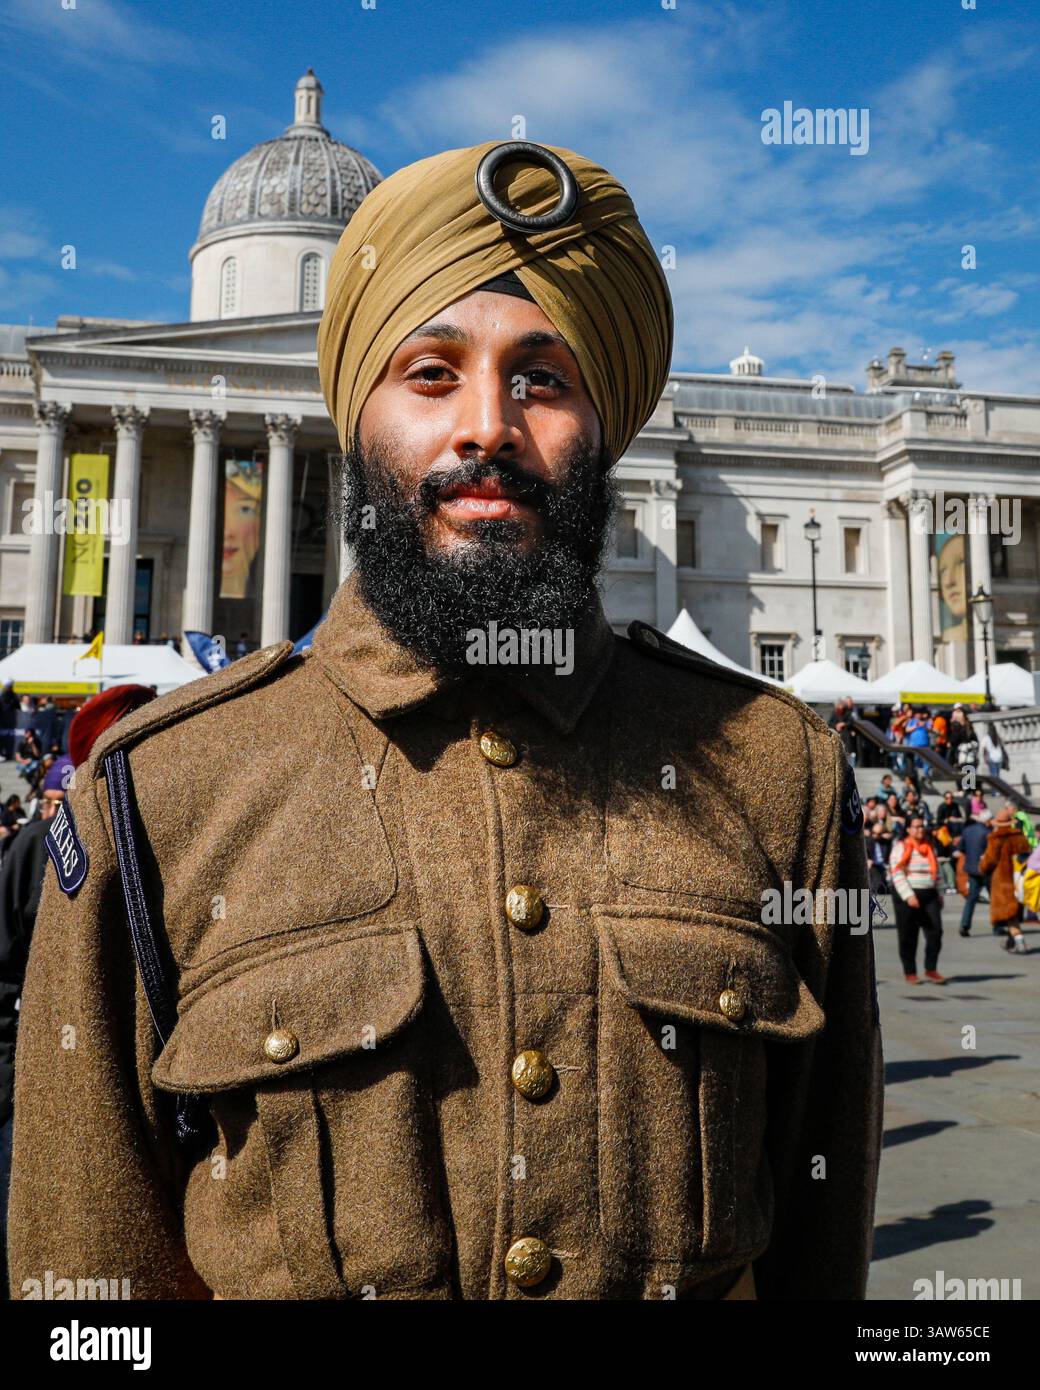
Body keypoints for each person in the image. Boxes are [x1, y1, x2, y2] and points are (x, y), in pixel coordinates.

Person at [7, 139, 882, 1303]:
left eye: (543, 378)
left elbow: (816, 1256)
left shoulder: (777, 773)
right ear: (348, 417)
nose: (487, 426)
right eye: (429, 374)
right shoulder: (155, 796)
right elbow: (87, 1296)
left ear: (602, 420)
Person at [889, 815, 945, 984]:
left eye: (922, 826)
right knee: (908, 934)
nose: (920, 829)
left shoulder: (930, 847)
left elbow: (938, 872)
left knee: (935, 931)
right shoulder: (900, 847)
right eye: (916, 826)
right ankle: (910, 971)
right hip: (908, 895)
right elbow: (896, 872)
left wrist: (940, 892)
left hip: (929, 893)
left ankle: (931, 968)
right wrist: (908, 895)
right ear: (908, 829)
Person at [979, 807, 1031, 953]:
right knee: (1014, 913)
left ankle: (1020, 942)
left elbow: (989, 861)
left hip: (1003, 881)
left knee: (1009, 915)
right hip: (1019, 881)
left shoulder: (995, 839)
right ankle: (1011, 942)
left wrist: (982, 867)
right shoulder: (1020, 837)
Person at [958, 809, 993, 937]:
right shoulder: (988, 833)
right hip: (986, 869)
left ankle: (964, 925)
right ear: (988, 821)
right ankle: (998, 924)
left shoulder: (967, 831)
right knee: (993, 898)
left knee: (971, 899)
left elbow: (961, 848)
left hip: (972, 869)